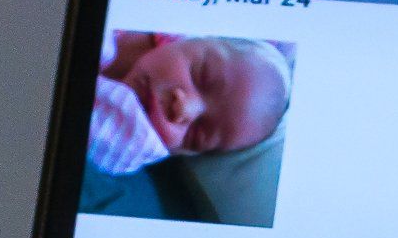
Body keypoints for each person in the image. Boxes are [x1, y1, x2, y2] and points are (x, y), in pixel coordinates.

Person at [88, 32, 292, 174]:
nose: (182, 108)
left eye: (195, 136)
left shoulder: (131, 144)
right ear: (188, 40)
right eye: (200, 75)